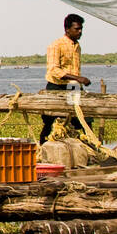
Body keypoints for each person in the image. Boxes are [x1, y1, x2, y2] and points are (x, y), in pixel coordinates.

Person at [40, 13, 91, 142]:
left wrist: (77, 81)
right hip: (56, 86)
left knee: (82, 119)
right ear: (67, 29)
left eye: (81, 29)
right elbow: (53, 70)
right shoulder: (56, 45)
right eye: (77, 29)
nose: (80, 32)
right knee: (51, 120)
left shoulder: (77, 46)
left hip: (73, 86)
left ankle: (90, 147)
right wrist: (79, 78)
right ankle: (42, 147)